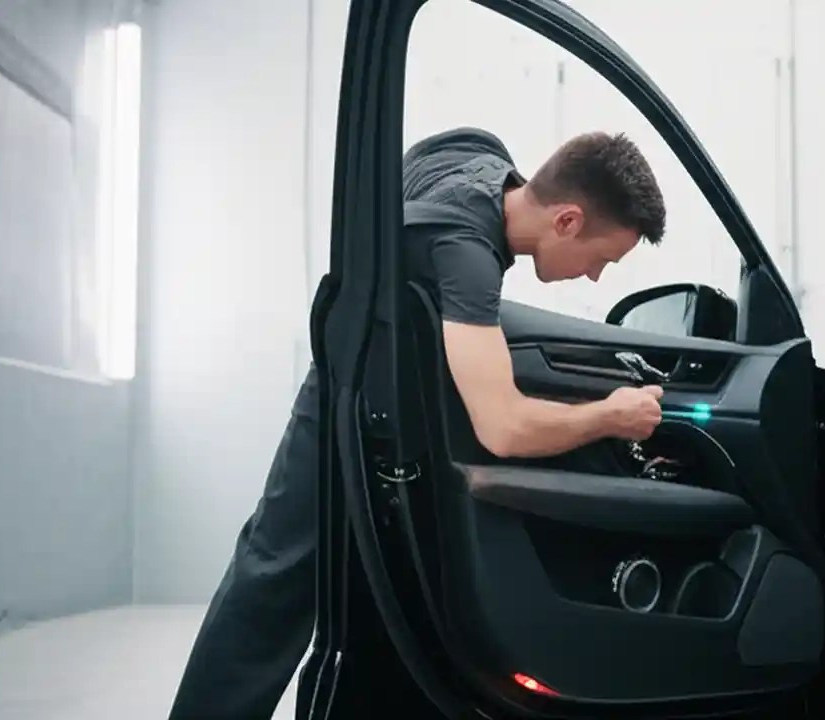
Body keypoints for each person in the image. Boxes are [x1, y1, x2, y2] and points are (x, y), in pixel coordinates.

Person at [167, 127, 668, 719]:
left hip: (374, 394)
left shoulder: (477, 154)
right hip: (344, 398)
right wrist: (611, 415)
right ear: (566, 221)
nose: (595, 278)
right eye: (602, 259)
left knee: (332, 588)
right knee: (275, 579)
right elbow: (502, 428)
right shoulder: (466, 255)